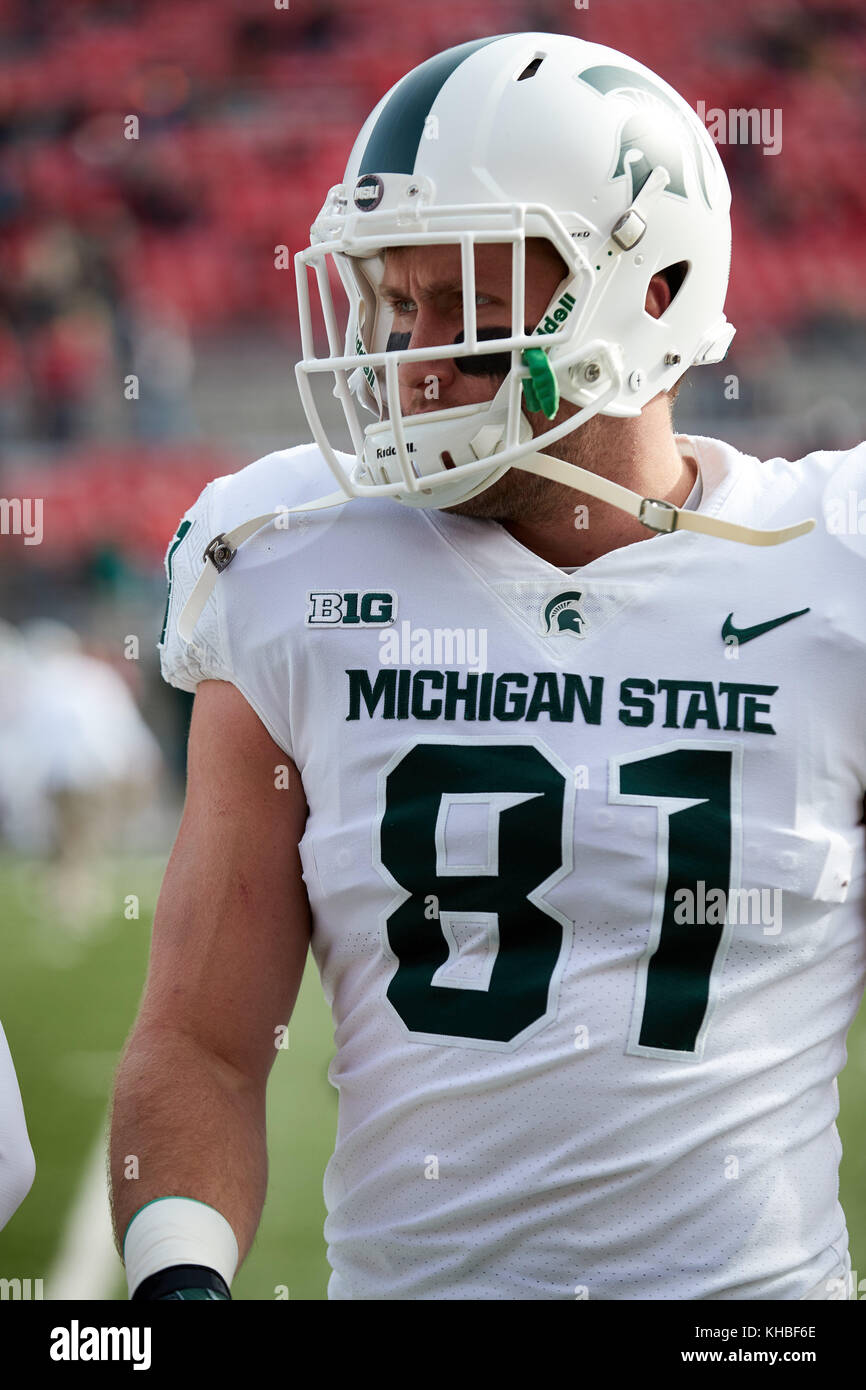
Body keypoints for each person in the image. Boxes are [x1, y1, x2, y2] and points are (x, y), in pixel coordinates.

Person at [110, 32, 865, 1301]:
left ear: (652, 292)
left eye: (463, 308)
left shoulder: (831, 565)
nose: (405, 363)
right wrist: (174, 1285)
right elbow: (203, 1043)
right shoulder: (288, 552)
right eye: (394, 303)